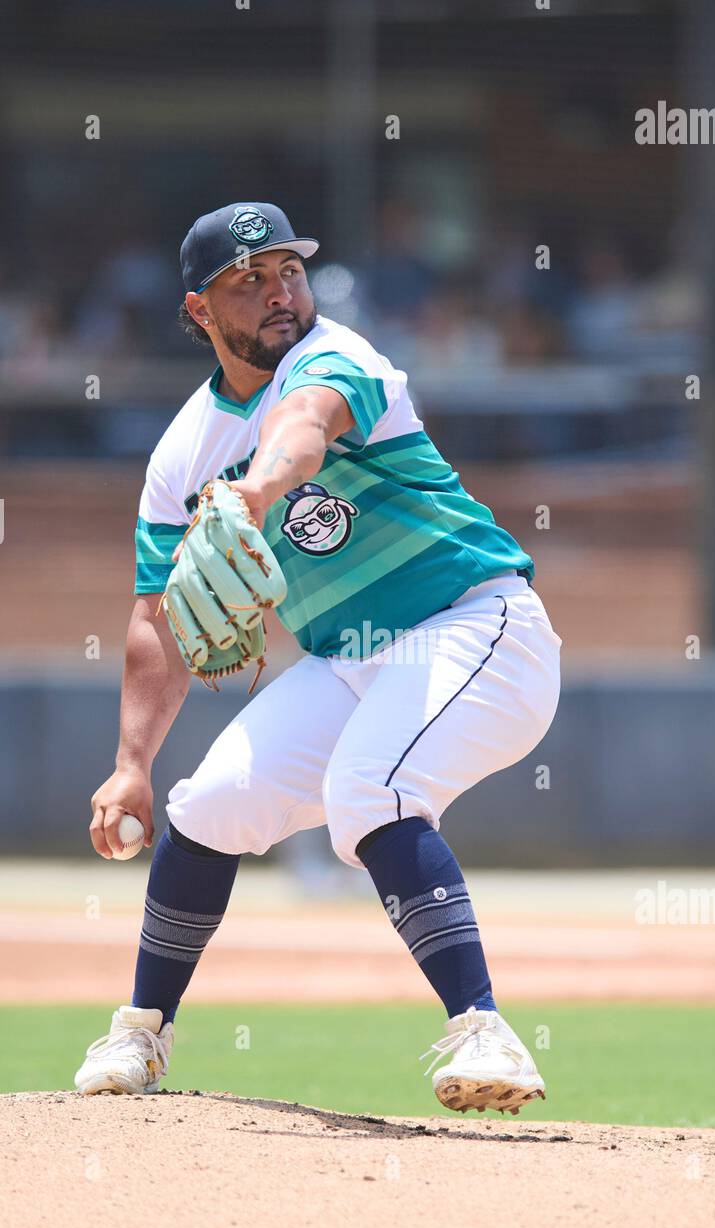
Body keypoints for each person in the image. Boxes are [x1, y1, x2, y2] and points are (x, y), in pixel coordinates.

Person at [76, 201, 562, 1116]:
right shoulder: (181, 454)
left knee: (368, 792)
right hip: (352, 659)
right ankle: (140, 1033)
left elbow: (302, 428)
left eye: (288, 271)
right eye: (247, 282)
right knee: (210, 806)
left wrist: (253, 494)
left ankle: (485, 1032)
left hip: (478, 626)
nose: (278, 293)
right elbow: (155, 615)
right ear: (198, 311)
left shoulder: (337, 356)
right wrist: (131, 763)